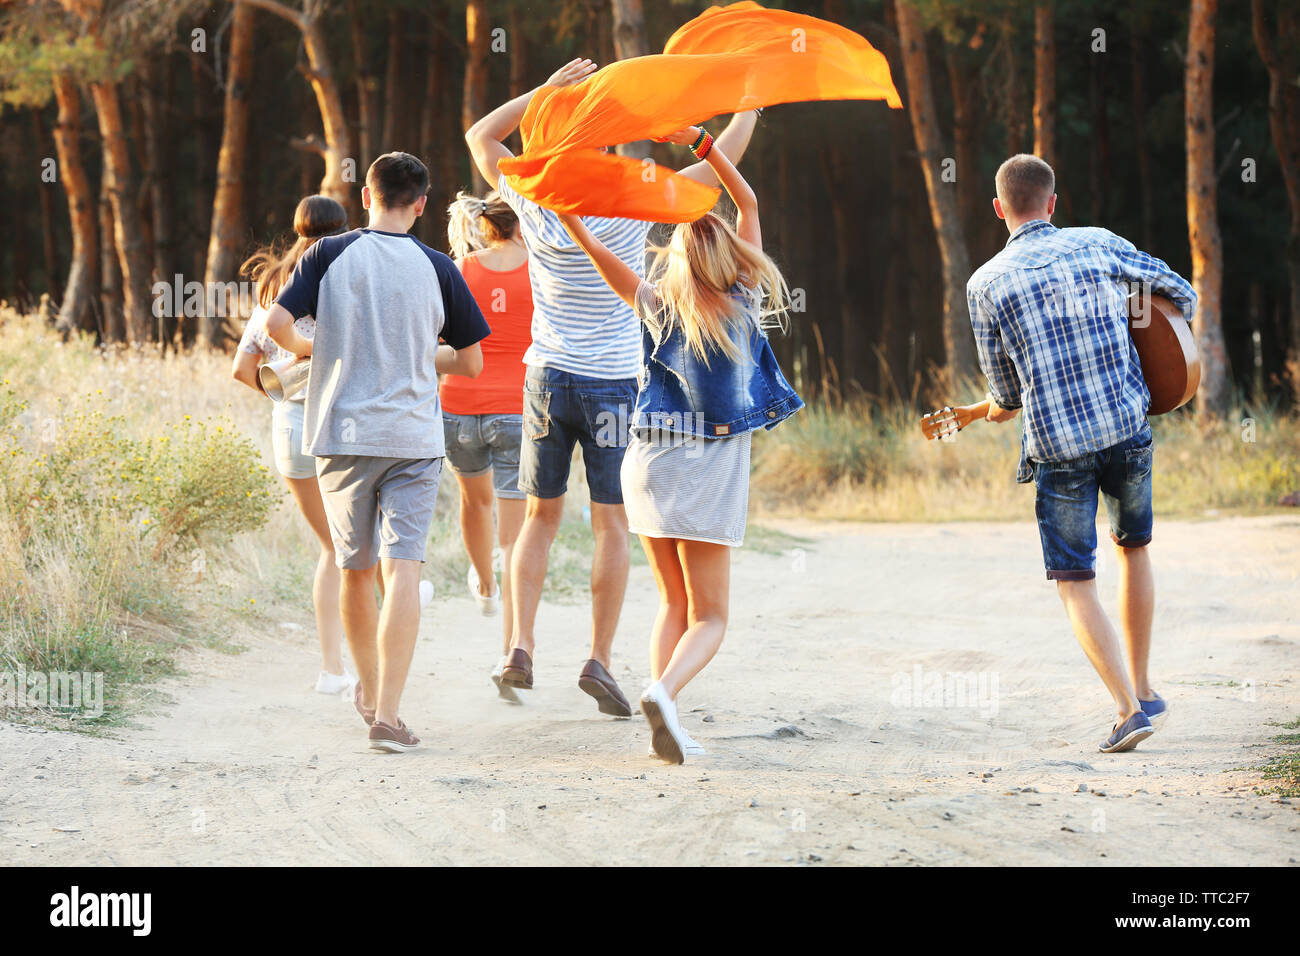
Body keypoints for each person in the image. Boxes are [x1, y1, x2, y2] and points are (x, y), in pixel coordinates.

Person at [465, 57, 760, 717]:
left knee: (540, 518)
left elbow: (480, 137)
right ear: (601, 136)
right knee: (611, 526)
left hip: (545, 376)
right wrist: (746, 110)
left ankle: (520, 643)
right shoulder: (629, 200)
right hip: (610, 384)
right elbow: (717, 172)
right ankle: (598, 658)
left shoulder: (532, 195)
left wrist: (544, 89)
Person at [558, 125, 802, 763]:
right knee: (712, 615)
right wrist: (703, 143)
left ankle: (663, 721)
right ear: (730, 257)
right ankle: (663, 693)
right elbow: (745, 203)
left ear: (678, 258)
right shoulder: (744, 300)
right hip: (706, 467)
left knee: (672, 599)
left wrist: (577, 225)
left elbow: (598, 258)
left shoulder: (656, 304)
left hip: (646, 463)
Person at [966, 154, 1197, 754]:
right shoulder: (1098, 244)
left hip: (1059, 447)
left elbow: (1008, 394)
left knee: (1075, 579)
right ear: (1052, 202)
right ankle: (1144, 689)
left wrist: (996, 403)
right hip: (1127, 427)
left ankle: (1126, 711)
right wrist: (1161, 356)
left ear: (999, 209)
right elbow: (1179, 291)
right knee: (1134, 549)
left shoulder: (986, 284)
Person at [264, 152, 491, 753]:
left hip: (344, 436)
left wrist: (322, 349)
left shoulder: (328, 254)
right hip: (414, 440)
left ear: (366, 196)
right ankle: (389, 716)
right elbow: (471, 361)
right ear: (421, 205)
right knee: (404, 571)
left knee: (354, 569)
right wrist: (423, 355)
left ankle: (365, 689)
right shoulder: (440, 266)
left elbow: (279, 326)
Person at [231, 195, 355, 698]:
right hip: (341, 427)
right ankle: (388, 629)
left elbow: (241, 370)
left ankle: (331, 670)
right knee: (355, 547)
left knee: (332, 548)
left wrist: (284, 391)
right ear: (344, 230)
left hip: (290, 430)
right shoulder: (343, 280)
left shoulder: (273, 289)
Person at [443, 191, 533, 702]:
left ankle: (483, 585)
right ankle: (509, 655)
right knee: (514, 543)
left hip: (457, 405)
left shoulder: (459, 268)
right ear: (523, 224)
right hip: (517, 410)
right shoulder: (540, 269)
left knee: (473, 502)